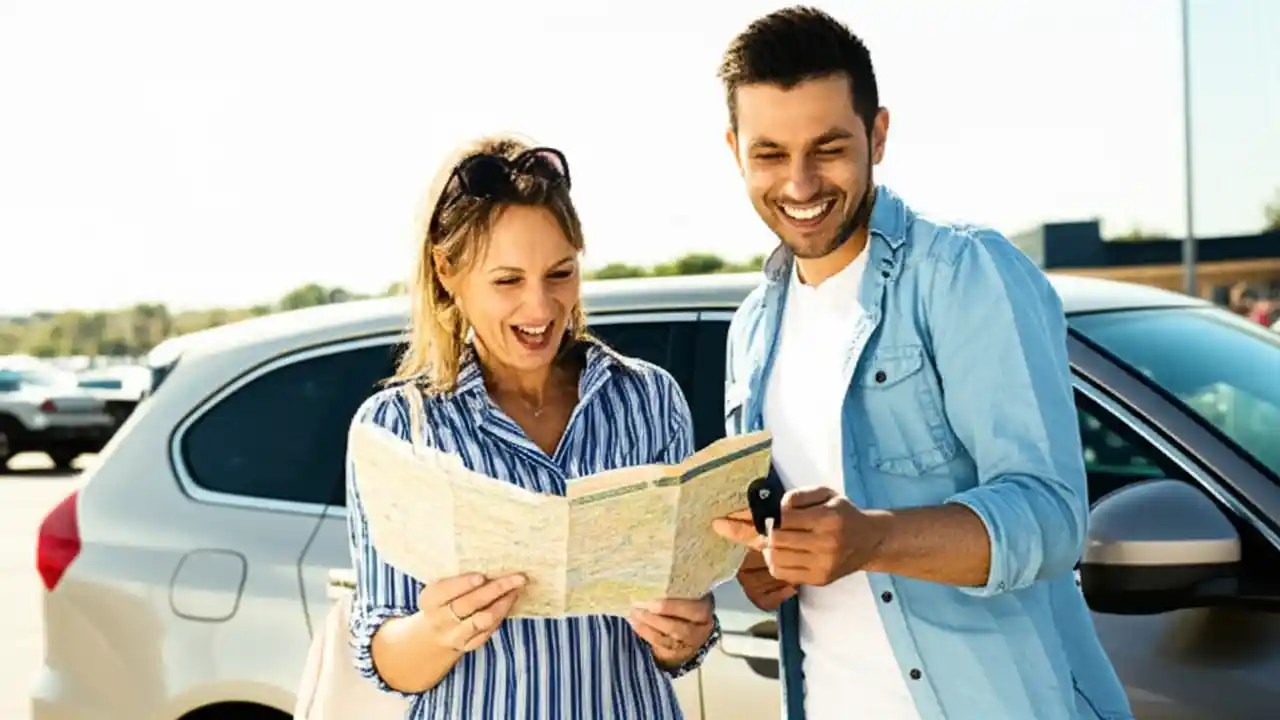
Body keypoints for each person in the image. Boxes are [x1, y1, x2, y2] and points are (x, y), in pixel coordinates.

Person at [708, 7, 1134, 720]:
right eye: (770, 154)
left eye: (829, 147)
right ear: (735, 151)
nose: (801, 184)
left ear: (877, 134)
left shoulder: (964, 275)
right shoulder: (752, 327)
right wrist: (763, 565)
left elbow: (1052, 518)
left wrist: (873, 538)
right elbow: (780, 537)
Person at [345, 134, 719, 719]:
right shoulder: (397, 429)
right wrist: (438, 630)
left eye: (559, 273)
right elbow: (384, 657)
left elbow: (681, 627)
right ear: (447, 271)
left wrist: (687, 637)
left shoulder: (650, 399)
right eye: (507, 281)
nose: (541, 308)